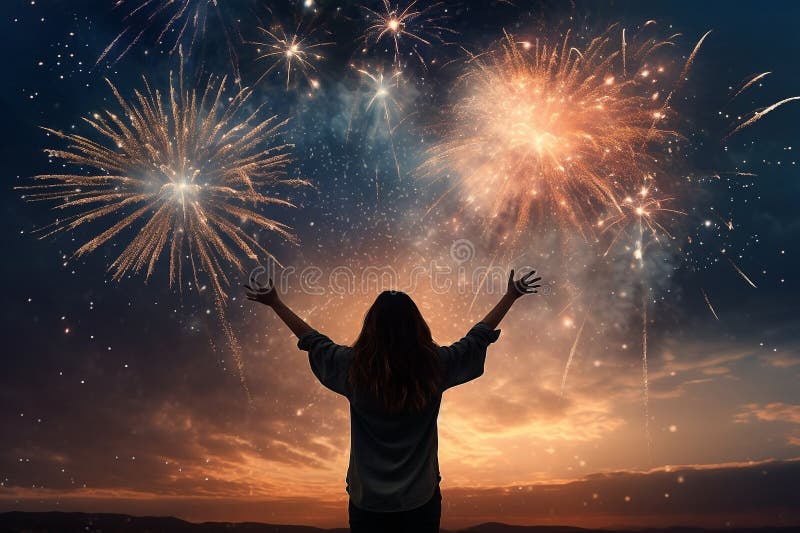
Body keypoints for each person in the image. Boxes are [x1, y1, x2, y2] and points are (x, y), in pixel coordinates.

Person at [244, 269, 541, 533]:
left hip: (367, 504)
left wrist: (276, 304)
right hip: (420, 501)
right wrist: (510, 296)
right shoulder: (434, 367)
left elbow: (313, 340)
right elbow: (477, 338)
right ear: (417, 325)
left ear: (371, 326)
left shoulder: (352, 368)